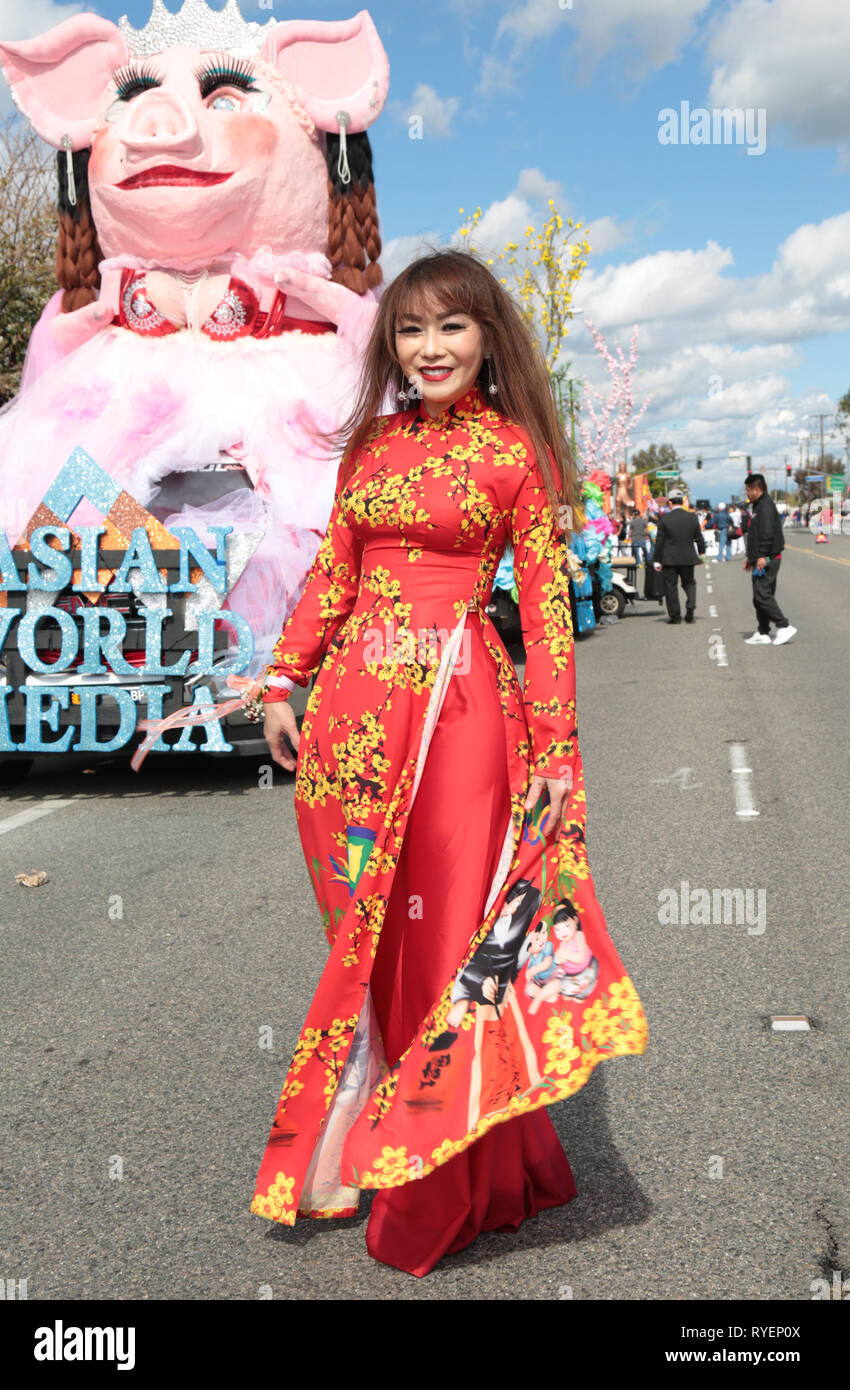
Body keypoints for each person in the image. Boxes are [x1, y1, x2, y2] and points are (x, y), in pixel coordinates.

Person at [249, 249, 648, 1277]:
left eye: (450, 328)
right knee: (367, 939)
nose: (428, 348)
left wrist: (555, 745)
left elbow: (547, 612)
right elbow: (333, 569)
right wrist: (284, 679)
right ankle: (374, 1137)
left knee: (446, 936)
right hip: (348, 717)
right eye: (410, 330)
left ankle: (444, 1176)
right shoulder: (370, 449)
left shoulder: (514, 454)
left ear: (486, 339)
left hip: (458, 713)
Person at [742, 473, 796, 645]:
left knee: (762, 594)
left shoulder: (765, 506)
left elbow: (766, 534)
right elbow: (755, 534)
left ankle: (784, 625)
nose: (747, 494)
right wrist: (751, 558)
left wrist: (762, 556)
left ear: (756, 489)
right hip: (760, 558)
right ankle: (763, 631)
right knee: (760, 595)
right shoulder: (758, 505)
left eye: (748, 490)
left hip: (768, 558)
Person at [652, 489, 706, 623]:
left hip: (669, 559)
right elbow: (699, 538)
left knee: (671, 587)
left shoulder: (664, 519)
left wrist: (657, 560)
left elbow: (659, 542)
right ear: (682, 502)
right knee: (689, 583)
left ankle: (675, 617)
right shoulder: (692, 518)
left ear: (670, 502)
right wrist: (701, 553)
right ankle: (691, 605)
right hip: (688, 558)